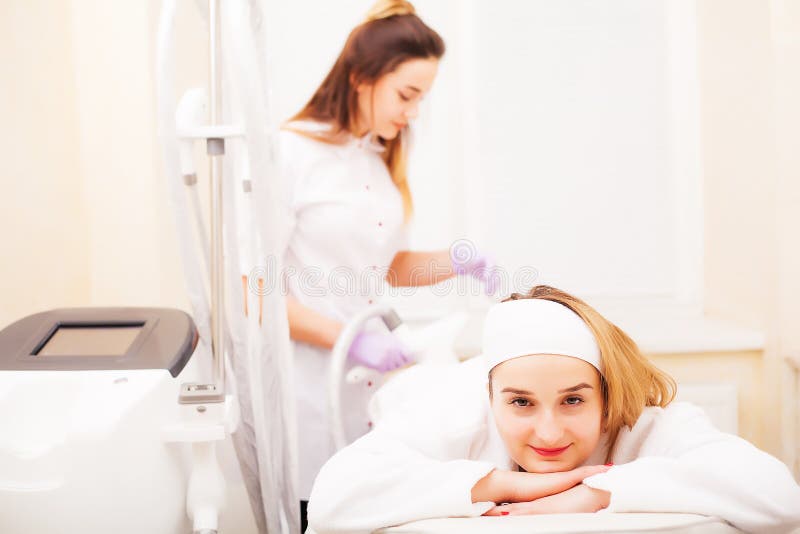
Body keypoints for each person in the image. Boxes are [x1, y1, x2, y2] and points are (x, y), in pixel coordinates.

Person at [307, 285, 800, 533]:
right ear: (492, 396)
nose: (548, 432)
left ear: (606, 396)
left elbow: (780, 498)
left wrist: (595, 492)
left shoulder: (643, 423)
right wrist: (505, 484)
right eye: (521, 402)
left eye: (573, 400)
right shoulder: (458, 411)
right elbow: (330, 501)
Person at [275, 0, 498, 527]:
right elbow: (249, 293)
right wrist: (350, 340)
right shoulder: (289, 153)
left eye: (421, 98)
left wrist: (457, 261)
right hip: (307, 381)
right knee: (320, 508)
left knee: (375, 507)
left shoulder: (377, 156)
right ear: (361, 77)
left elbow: (384, 268)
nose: (413, 112)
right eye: (406, 94)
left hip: (373, 384)